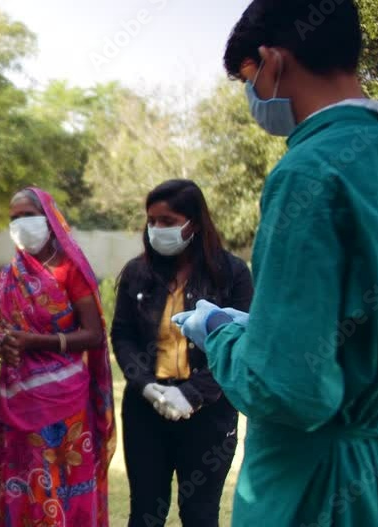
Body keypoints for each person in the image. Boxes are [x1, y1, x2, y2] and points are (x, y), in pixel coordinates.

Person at [174, 1, 378, 525]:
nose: (252, 95)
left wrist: (218, 332)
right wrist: (266, 329)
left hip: (319, 489)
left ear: (272, 61)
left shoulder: (310, 173)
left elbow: (287, 388)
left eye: (248, 77)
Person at [111, 180, 252, 527]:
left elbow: (241, 340)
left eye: (168, 221)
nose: (157, 229)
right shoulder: (137, 273)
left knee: (200, 513)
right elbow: (123, 334)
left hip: (209, 414)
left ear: (195, 222)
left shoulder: (231, 274)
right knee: (145, 511)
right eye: (152, 221)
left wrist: (192, 394)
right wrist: (146, 385)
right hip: (146, 409)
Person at [0, 187, 116, 527]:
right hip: (17, 400)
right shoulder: (9, 273)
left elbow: (94, 334)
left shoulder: (70, 270)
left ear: (50, 218)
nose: (20, 223)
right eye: (13, 218)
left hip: (65, 403)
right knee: (22, 482)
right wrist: (2, 344)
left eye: (28, 215)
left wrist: (36, 342)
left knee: (66, 484)